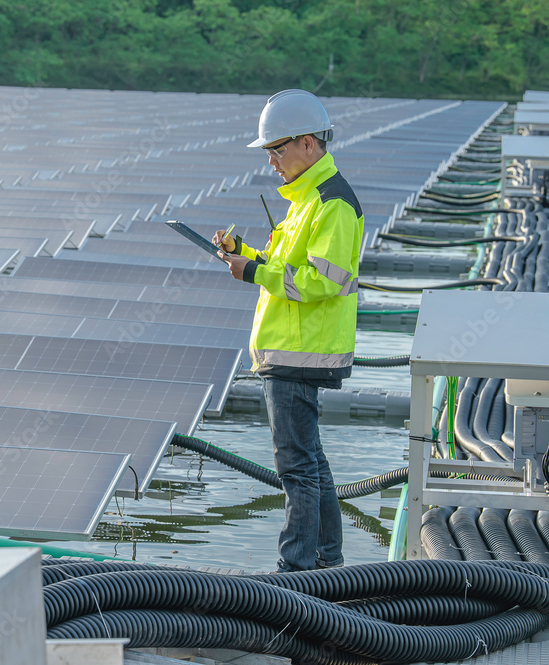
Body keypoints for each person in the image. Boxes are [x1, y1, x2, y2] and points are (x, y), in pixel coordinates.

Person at [212, 89, 364, 573]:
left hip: (302, 353)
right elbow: (288, 268)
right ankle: (326, 562)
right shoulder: (307, 200)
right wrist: (247, 255)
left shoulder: (333, 203)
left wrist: (255, 273)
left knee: (296, 468)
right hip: (292, 351)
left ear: (306, 144)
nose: (272, 162)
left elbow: (323, 282)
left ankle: (296, 573)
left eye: (276, 150)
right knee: (311, 464)